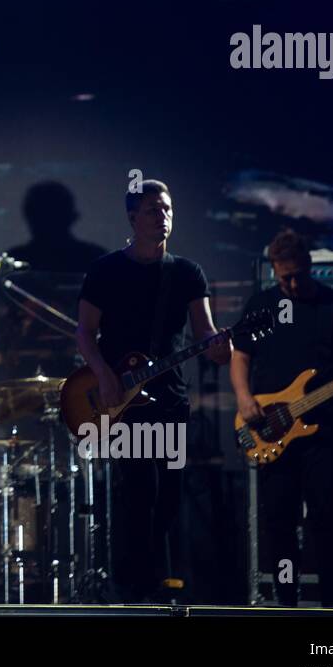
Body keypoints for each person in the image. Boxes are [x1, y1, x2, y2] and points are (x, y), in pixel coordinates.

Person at [76, 179, 229, 602]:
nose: (163, 217)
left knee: (172, 494)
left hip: (172, 399)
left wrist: (221, 348)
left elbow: (207, 335)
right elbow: (85, 333)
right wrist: (105, 376)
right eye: (153, 210)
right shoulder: (106, 270)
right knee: (137, 490)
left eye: (167, 210)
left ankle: (167, 583)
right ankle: (134, 587)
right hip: (124, 402)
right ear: (132, 218)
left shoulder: (186, 273)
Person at [231, 229, 333, 607]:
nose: (291, 284)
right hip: (272, 430)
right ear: (274, 272)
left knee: (325, 519)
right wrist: (245, 398)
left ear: (310, 266)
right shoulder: (261, 305)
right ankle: (286, 601)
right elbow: (240, 355)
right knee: (278, 521)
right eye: (284, 278)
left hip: (322, 430)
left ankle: (331, 603)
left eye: (297, 275)